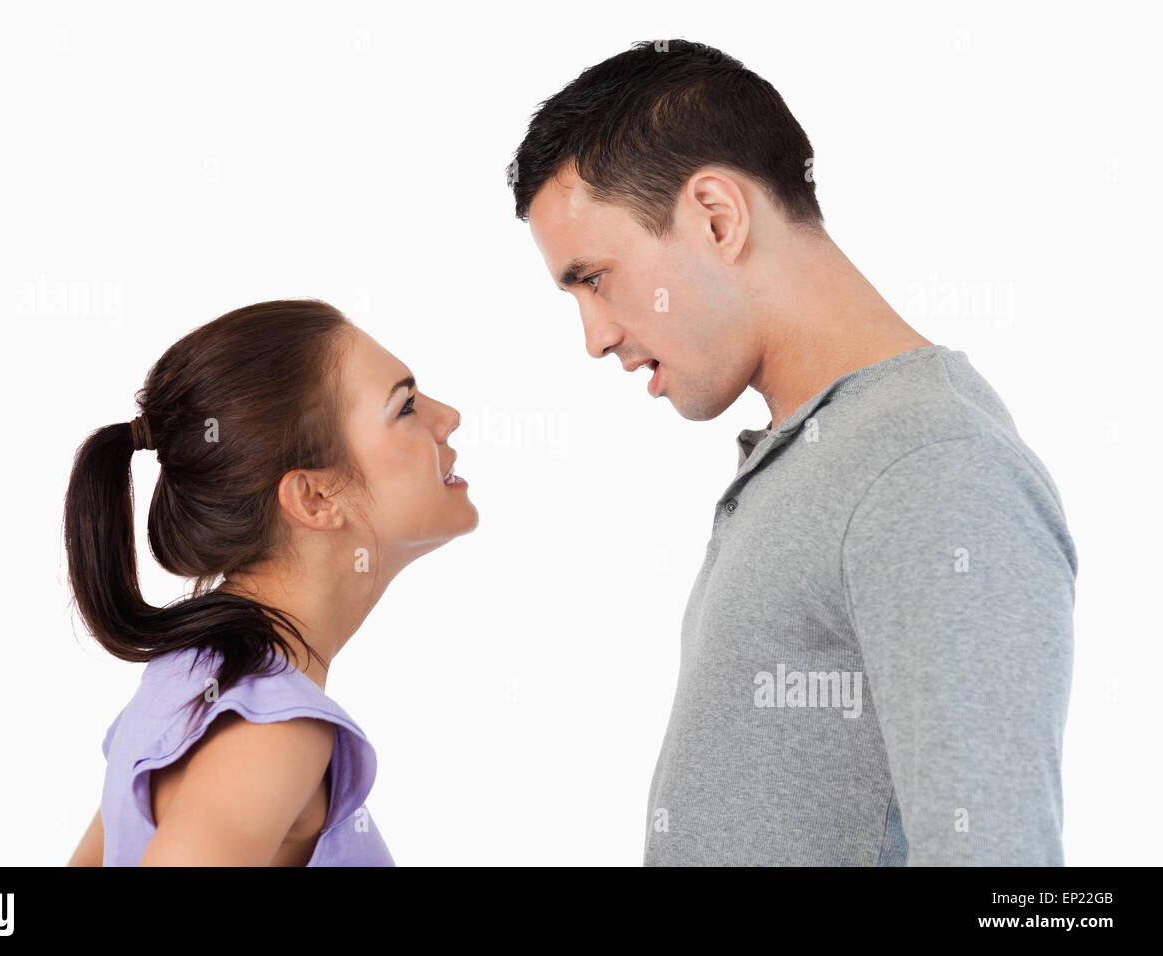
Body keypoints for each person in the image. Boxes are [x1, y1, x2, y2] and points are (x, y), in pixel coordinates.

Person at [507, 39, 1077, 865]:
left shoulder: (930, 466)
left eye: (594, 277)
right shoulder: (824, 451)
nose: (595, 338)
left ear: (716, 216)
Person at [63, 299, 477, 866]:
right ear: (314, 497)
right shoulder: (273, 731)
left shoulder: (191, 676)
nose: (447, 415)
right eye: (405, 407)